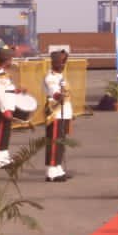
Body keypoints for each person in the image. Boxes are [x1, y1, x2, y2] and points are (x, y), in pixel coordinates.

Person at [43, 49, 73, 182]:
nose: (63, 65)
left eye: (64, 62)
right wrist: (58, 95)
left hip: (64, 112)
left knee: (60, 142)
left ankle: (58, 168)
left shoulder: (60, 76)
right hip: (55, 112)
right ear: (54, 63)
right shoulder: (50, 78)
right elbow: (54, 92)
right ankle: (51, 172)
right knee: (54, 142)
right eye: (61, 62)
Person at [0, 46, 21, 169]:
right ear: (6, 59)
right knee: (1, 133)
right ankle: (0, 160)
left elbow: (7, 90)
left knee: (6, 133)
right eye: (11, 58)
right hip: (4, 108)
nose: (12, 61)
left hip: (8, 107)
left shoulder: (3, 74)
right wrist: (5, 110)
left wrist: (16, 90)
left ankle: (4, 157)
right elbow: (0, 93)